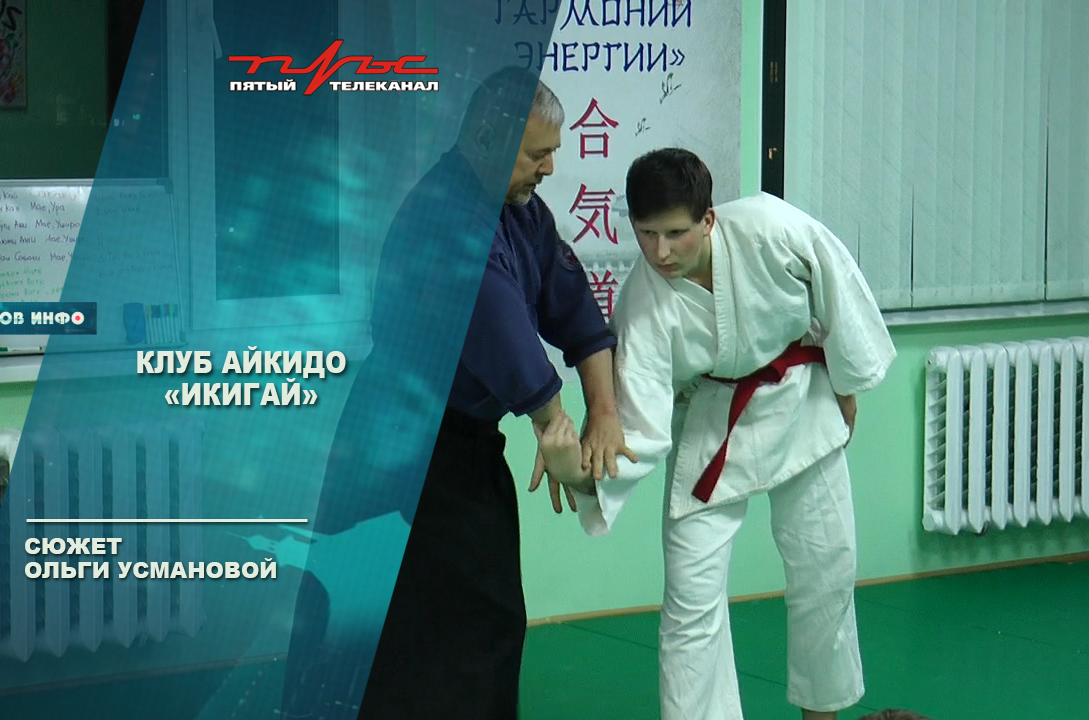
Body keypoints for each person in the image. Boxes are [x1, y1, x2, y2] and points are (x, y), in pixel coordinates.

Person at [281, 67, 632, 720]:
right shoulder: (446, 221)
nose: (550, 168)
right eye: (537, 153)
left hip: (459, 441)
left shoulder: (521, 211)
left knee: (458, 615)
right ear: (486, 139)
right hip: (401, 442)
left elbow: (575, 308)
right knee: (425, 615)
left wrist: (604, 413)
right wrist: (555, 428)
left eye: (552, 152)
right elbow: (501, 331)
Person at [538, 147, 897, 720]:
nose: (660, 251)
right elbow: (640, 421)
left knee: (827, 567)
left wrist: (845, 379)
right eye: (647, 233)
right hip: (712, 424)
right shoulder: (641, 303)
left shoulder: (770, 227)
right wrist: (585, 473)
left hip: (799, 400)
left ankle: (822, 715)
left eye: (675, 233)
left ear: (708, 219)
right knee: (690, 599)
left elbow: (836, 284)